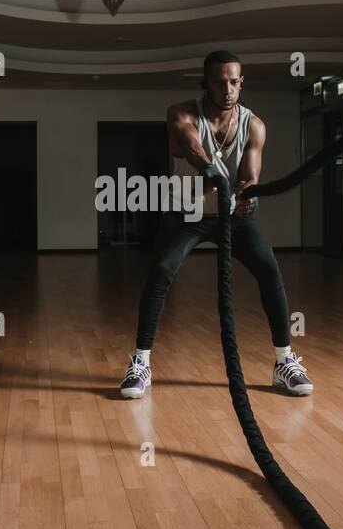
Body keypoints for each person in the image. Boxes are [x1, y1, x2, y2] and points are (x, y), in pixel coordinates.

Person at [120, 49, 313, 399]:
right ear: (205, 83)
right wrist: (208, 168)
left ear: (241, 83)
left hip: (232, 218)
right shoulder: (180, 112)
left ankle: (284, 362)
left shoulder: (254, 125)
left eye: (234, 82)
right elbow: (189, 145)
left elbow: (250, 176)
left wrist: (246, 196)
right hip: (187, 214)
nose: (228, 89)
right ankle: (141, 363)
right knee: (162, 269)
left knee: (269, 270)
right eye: (220, 82)